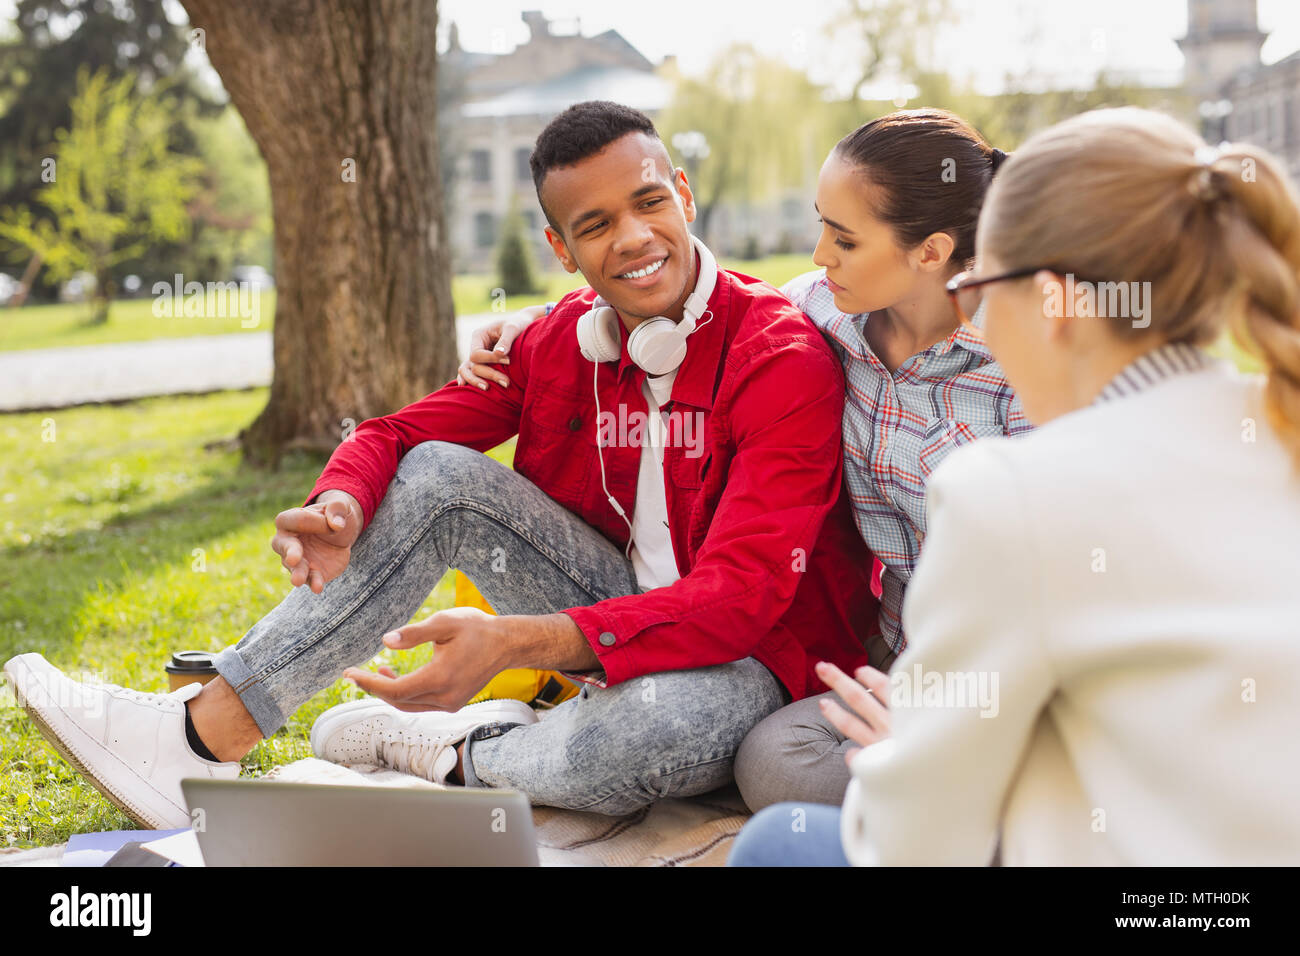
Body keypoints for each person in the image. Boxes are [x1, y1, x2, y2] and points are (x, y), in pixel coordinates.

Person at [3, 101, 878, 830]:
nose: (636, 237)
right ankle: (199, 737)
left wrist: (523, 640)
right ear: (561, 249)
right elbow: (393, 436)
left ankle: (447, 749)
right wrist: (342, 500)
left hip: (757, 656)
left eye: (650, 202)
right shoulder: (550, 343)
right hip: (609, 602)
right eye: (596, 225)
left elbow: (742, 596)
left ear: (684, 194)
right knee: (435, 477)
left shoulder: (778, 357)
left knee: (652, 741)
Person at [730, 105, 1300, 865]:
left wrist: (923, 746)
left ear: (1055, 299)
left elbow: (912, 843)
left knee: (776, 843)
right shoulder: (1273, 422)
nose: (980, 322)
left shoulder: (1012, 493)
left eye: (985, 288)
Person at [463, 109, 1030, 812]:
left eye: (844, 238)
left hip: (1007, 663)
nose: (820, 253)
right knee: (772, 762)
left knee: (775, 772)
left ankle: (1007, 794)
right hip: (896, 649)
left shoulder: (1021, 370)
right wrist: (527, 328)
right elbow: (679, 297)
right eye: (822, 224)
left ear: (930, 251)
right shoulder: (821, 311)